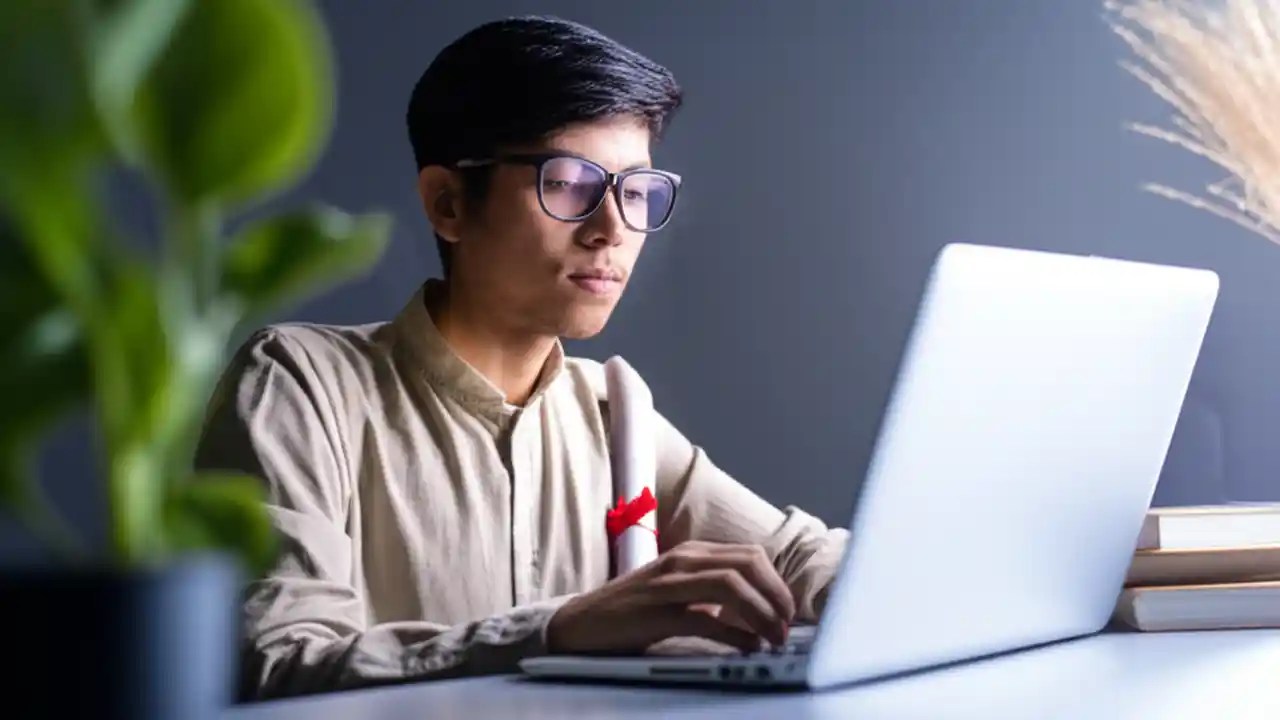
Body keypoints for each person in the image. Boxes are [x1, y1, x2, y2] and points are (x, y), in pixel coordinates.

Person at [194, 15, 849, 700]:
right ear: (448, 204)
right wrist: (557, 630)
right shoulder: (302, 382)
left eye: (636, 191)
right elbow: (276, 662)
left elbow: (803, 559)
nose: (612, 230)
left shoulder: (612, 411)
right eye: (569, 183)